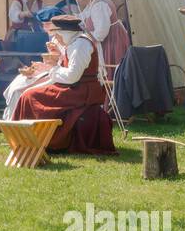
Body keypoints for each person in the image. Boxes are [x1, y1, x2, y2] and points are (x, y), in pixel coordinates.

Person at [10, 14, 115, 154]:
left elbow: (72, 76)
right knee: (28, 94)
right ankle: (22, 135)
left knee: (30, 96)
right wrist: (57, 57)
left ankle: (33, 138)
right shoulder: (74, 43)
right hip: (74, 88)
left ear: (65, 33)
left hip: (81, 91)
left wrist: (54, 67)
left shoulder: (81, 45)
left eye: (57, 34)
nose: (57, 38)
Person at [72, 0, 130, 69]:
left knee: (112, 66)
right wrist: (70, 19)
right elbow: (83, 16)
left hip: (111, 40)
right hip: (108, 38)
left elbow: (101, 32)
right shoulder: (93, 2)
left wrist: (88, 40)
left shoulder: (99, 6)